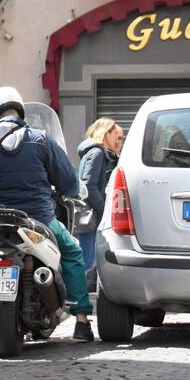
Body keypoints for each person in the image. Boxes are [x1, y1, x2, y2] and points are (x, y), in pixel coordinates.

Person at [0, 87, 94, 351]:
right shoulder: (41, 139)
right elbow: (67, 181)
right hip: (38, 219)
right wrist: (69, 192)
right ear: (18, 109)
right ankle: (83, 319)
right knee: (73, 251)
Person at [75, 118, 123, 291]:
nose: (120, 142)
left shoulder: (104, 155)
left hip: (95, 215)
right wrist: (105, 209)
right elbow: (89, 185)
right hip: (92, 217)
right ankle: (74, 298)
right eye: (117, 137)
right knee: (87, 260)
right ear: (106, 133)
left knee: (93, 259)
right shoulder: (96, 153)